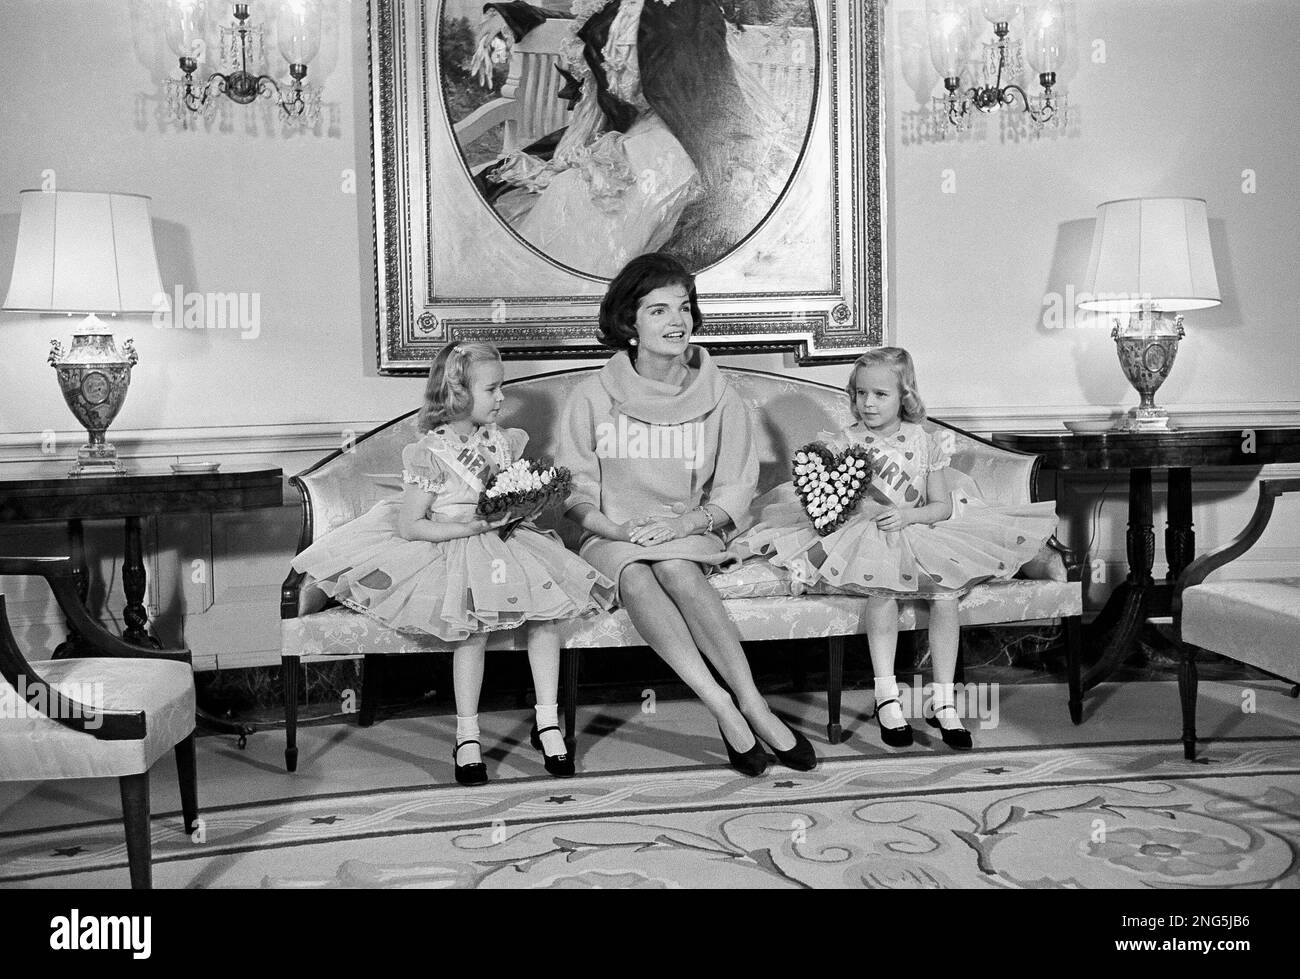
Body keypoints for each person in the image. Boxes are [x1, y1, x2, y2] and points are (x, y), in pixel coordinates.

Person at [291, 342, 615, 785]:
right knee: (472, 632)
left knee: (547, 619)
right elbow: (410, 526)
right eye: (492, 389)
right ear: (459, 394)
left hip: (507, 543)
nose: (502, 398)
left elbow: (505, 496)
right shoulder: (431, 451)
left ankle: (547, 722)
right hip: (449, 543)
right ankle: (467, 735)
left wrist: (523, 507)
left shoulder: (503, 442)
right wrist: (473, 529)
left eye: (501, 388)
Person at [555, 253, 816, 776]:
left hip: (692, 528)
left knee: (675, 566)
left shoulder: (721, 395)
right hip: (614, 534)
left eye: (684, 307)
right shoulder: (590, 396)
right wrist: (618, 530)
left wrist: (684, 524)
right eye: (658, 310)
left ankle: (753, 705)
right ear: (629, 323)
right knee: (633, 570)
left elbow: (738, 486)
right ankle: (720, 706)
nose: (677, 321)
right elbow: (576, 493)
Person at [736, 348, 1058, 750]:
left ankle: (944, 701)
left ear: (904, 395)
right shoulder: (843, 441)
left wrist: (909, 516)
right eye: (859, 394)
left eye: (880, 394)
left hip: (916, 528)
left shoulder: (926, 443)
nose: (867, 403)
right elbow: (831, 500)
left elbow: (941, 506)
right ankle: (886, 696)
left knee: (945, 595)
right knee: (881, 592)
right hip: (862, 535)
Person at [468, 0, 801, 275]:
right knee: (573, 188)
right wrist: (509, 14)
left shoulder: (687, 10)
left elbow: (716, 90)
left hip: (684, 135)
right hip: (633, 132)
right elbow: (574, 25)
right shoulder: (612, 10)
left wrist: (734, 157)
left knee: (602, 194)